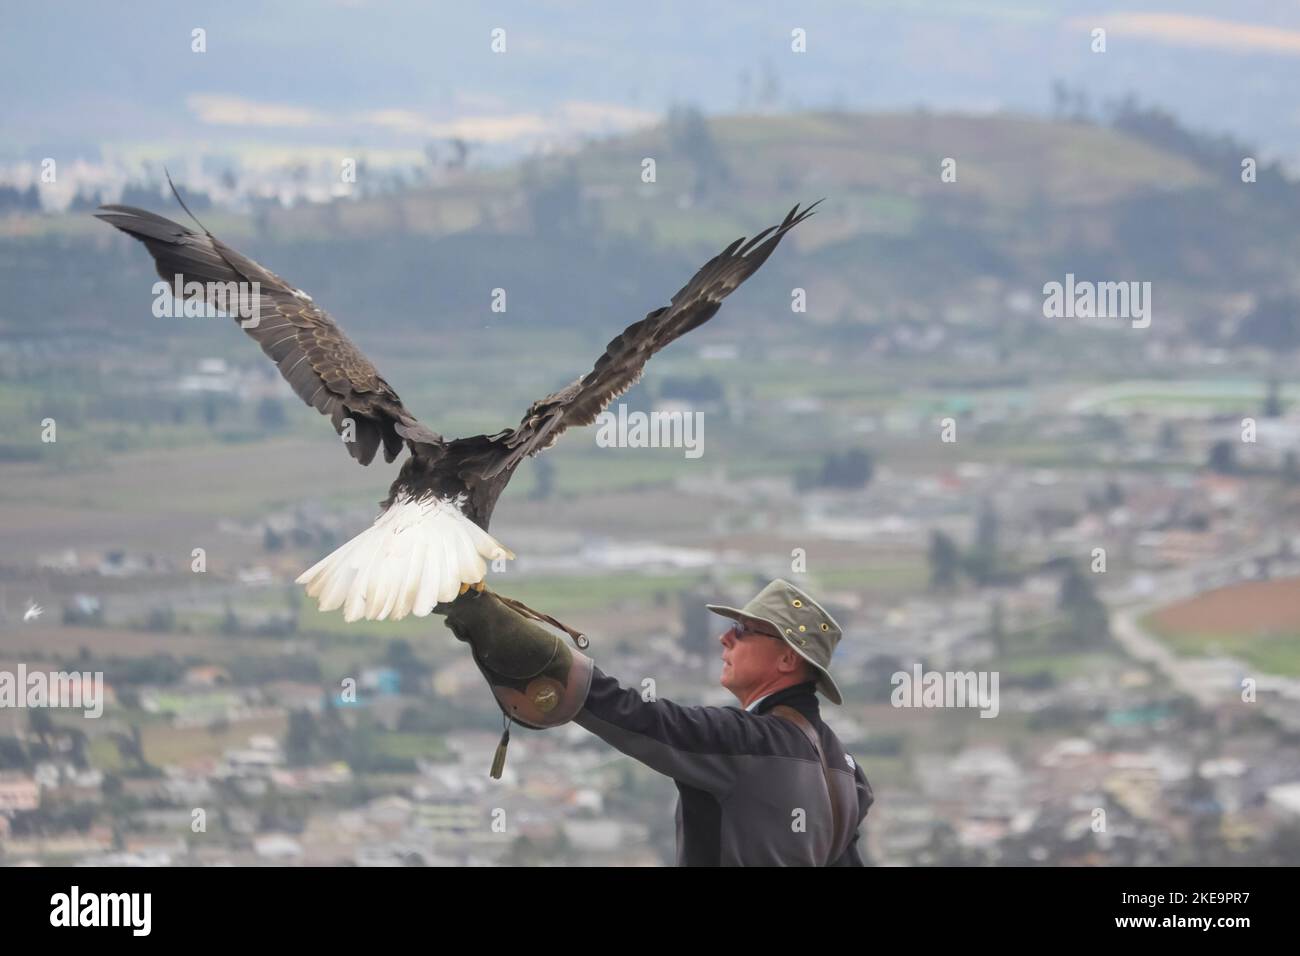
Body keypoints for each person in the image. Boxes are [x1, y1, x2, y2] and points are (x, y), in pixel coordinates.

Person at [444, 578, 873, 866]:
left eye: (743, 631)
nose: (725, 637)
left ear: (786, 659)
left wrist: (502, 631)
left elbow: (637, 717)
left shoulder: (747, 743)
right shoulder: (847, 772)